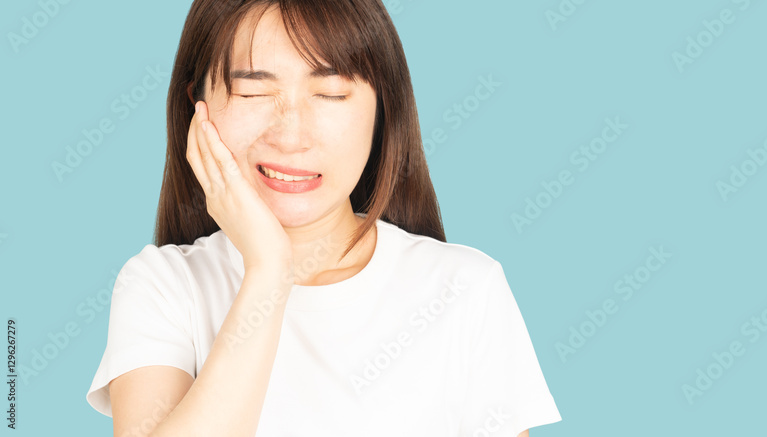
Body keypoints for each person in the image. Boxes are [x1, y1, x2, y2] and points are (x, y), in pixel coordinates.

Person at [84, 1, 561, 435]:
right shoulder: (163, 287)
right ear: (197, 107)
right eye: (251, 92)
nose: (291, 136)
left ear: (382, 111)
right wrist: (269, 270)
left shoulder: (465, 288)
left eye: (331, 93)